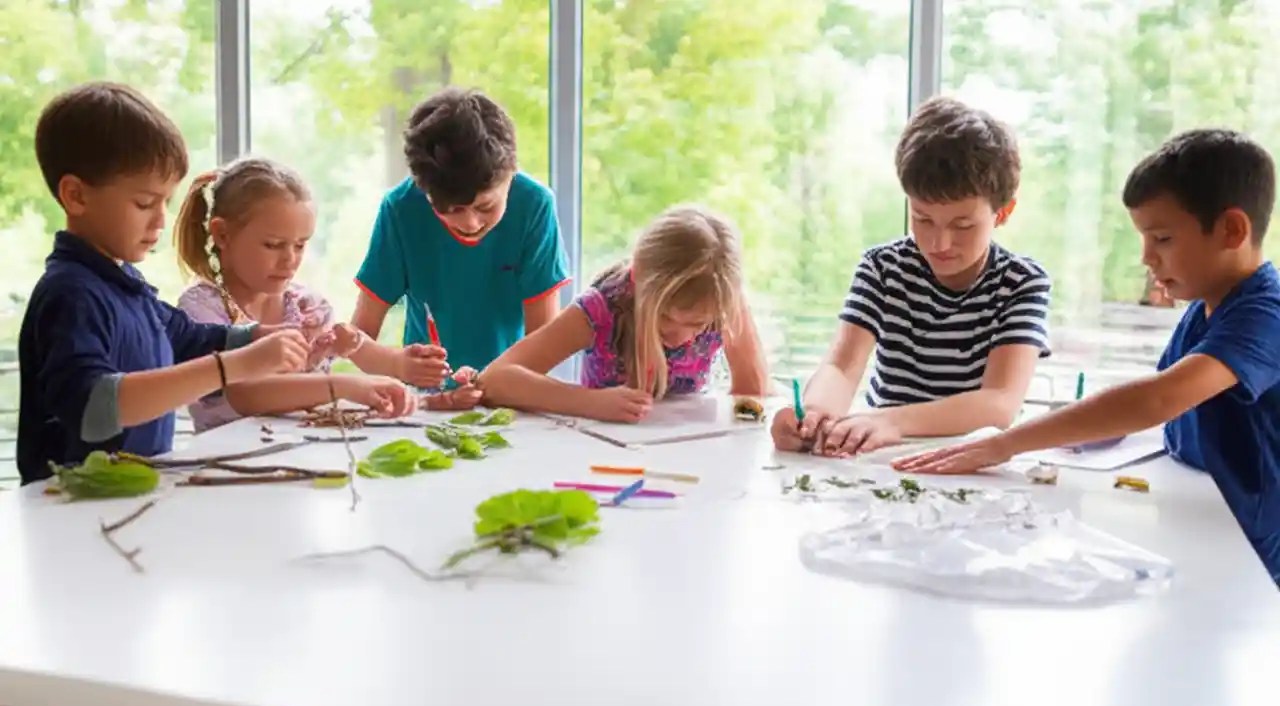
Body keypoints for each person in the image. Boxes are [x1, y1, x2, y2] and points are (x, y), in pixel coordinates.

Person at [894, 129, 1280, 583]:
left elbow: (1157, 399)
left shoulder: (1264, 315)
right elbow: (1180, 420)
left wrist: (1004, 444)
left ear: (1232, 230)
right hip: (1210, 527)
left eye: (1162, 238)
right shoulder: (1207, 306)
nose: (1146, 258)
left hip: (1256, 555)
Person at [18, 82, 308, 483]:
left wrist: (255, 336)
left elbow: (184, 337)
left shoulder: (124, 283)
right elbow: (94, 407)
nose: (159, 220)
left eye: (165, 203)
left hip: (125, 498)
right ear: (76, 196)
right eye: (144, 203)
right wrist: (232, 366)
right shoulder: (71, 293)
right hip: (69, 509)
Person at [772, 96, 1051, 457]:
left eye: (962, 224)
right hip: (881, 457)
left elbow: (999, 404)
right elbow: (842, 367)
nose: (939, 242)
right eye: (922, 218)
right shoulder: (882, 268)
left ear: (1003, 212)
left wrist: (890, 422)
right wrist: (814, 414)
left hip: (970, 459)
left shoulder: (1022, 283)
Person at [173, 158, 481, 432]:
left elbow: (349, 359)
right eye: (273, 245)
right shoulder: (202, 311)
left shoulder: (308, 307)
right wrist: (345, 386)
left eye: (300, 245)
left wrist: (413, 380)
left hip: (303, 460)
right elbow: (245, 392)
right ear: (222, 235)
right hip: (224, 464)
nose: (289, 260)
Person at [350, 87, 570, 374]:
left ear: (510, 173)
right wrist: (398, 367)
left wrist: (494, 386)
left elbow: (544, 343)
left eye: (486, 207)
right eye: (450, 210)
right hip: (425, 403)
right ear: (422, 187)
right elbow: (359, 337)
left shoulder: (534, 206)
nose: (470, 224)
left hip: (512, 394)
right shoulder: (400, 209)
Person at [479, 206, 768, 422]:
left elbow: (752, 394)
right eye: (664, 317)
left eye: (697, 325)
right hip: (603, 453)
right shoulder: (601, 311)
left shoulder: (722, 302)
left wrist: (741, 422)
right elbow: (495, 380)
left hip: (687, 451)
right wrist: (591, 403)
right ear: (636, 279)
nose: (679, 337)